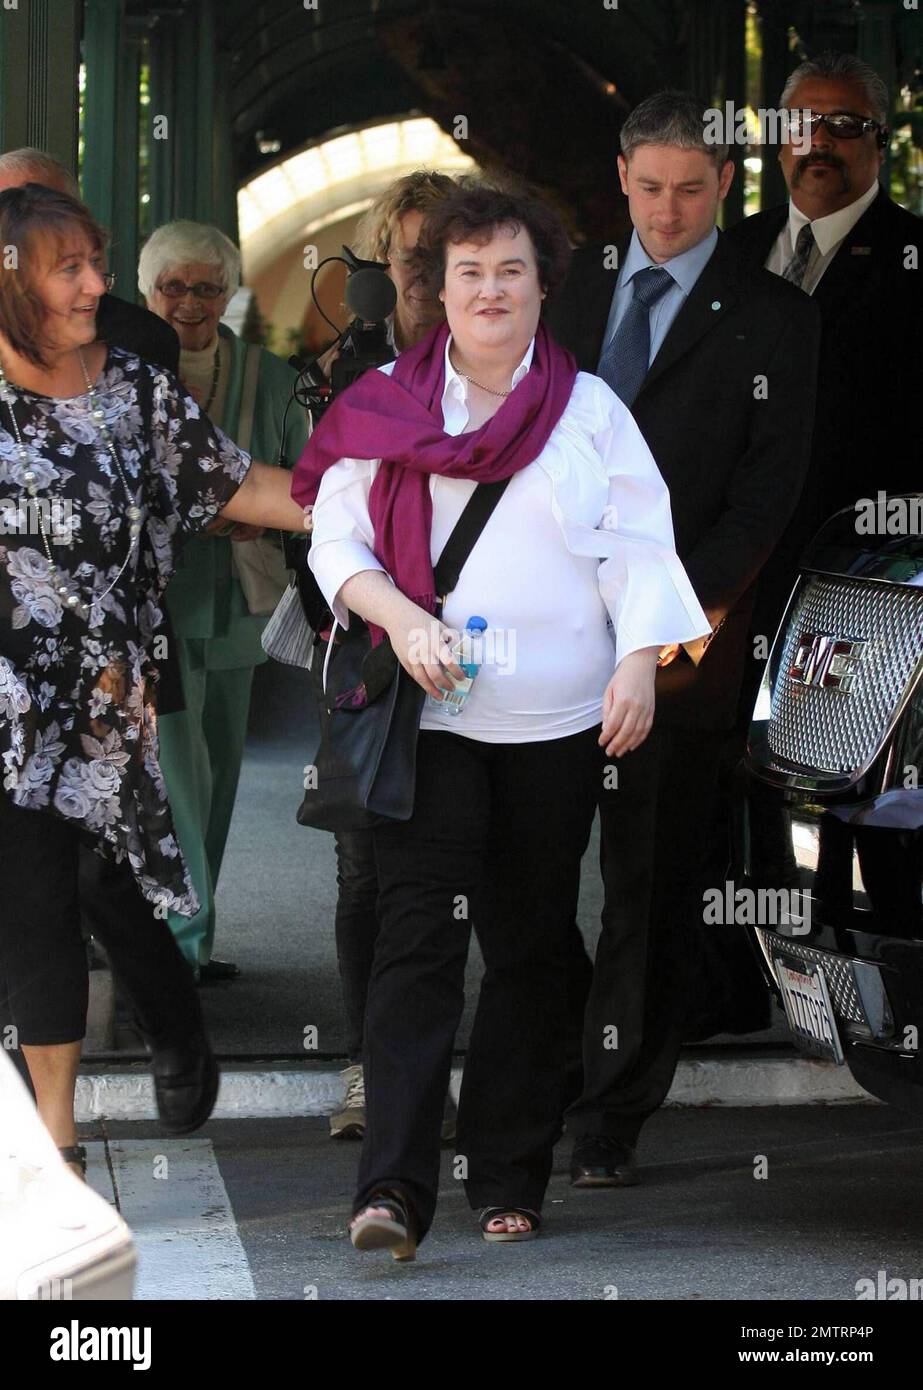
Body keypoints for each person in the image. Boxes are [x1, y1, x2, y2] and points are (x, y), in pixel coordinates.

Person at [294, 182, 708, 1256]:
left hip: (557, 727)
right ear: (436, 286)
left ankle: (507, 1173)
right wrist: (399, 617)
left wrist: (635, 667)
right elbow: (333, 543)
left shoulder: (589, 411)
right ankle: (390, 1184)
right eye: (467, 270)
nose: (488, 289)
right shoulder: (386, 399)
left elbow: (640, 548)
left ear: (541, 287)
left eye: (509, 271)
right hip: (428, 724)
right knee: (415, 942)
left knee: (529, 946)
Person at [0, 184, 306, 1178]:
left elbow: (241, 485)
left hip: (96, 693)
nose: (97, 283)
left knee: (81, 880)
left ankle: (158, 1026)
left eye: (97, 262)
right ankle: (55, 1138)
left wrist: (377, 492)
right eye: (71, 267)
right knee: (38, 893)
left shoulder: (133, 388)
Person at [545, 91, 820, 1188]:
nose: (667, 211)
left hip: (679, 645)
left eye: (692, 189)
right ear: (620, 176)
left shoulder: (773, 316)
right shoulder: (556, 293)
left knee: (648, 887)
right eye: (649, 186)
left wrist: (669, 621)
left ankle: (611, 1112)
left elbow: (764, 493)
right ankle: (554, 1064)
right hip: (542, 631)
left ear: (725, 187)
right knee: (519, 874)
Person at [726, 51, 923, 741]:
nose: (818, 141)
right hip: (734, 579)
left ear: (878, 139)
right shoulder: (731, 252)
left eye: (841, 124)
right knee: (723, 788)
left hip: (863, 578)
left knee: (862, 806)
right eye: (800, 123)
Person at [319, 170, 458, 1141]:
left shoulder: (509, 360)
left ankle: (457, 1064)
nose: (417, 267)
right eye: (404, 249)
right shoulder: (348, 366)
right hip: (369, 653)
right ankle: (371, 1065)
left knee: (470, 870)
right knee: (365, 869)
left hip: (483, 652)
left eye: (435, 249)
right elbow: (321, 512)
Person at [139, 221, 310, 982]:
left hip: (242, 602)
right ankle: (180, 941)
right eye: (172, 286)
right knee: (179, 772)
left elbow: (306, 481)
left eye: (206, 287)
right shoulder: (124, 371)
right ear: (147, 292)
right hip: (157, 605)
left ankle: (193, 937)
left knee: (221, 773)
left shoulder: (271, 377)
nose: (189, 303)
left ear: (228, 294)